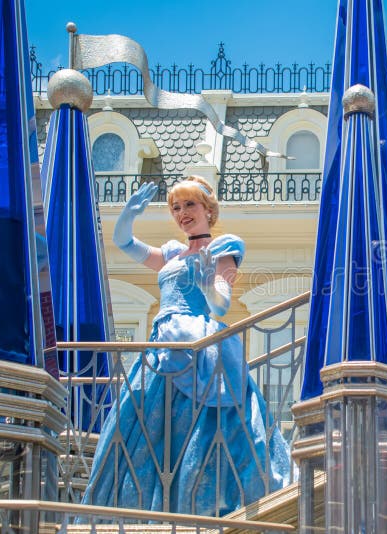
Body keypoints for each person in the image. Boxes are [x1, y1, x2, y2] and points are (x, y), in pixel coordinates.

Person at [81, 176, 291, 516]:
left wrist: (210, 282)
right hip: (161, 350)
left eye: (189, 205)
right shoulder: (171, 253)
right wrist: (127, 216)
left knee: (199, 431)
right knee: (140, 429)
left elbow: (221, 305)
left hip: (198, 346)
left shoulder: (224, 247)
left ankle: (199, 505)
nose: (182, 214)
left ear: (208, 210)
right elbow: (124, 243)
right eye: (176, 207)